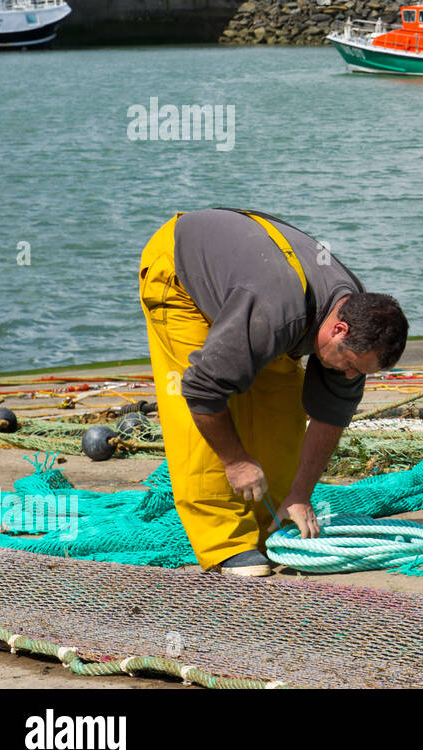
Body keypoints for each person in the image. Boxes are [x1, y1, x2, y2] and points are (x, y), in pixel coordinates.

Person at [138, 208, 407, 576]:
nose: (349, 374)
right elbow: (201, 390)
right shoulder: (276, 311)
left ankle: (273, 525)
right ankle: (225, 545)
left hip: (261, 295)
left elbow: (331, 414)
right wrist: (236, 461)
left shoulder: (359, 327)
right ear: (339, 329)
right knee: (200, 411)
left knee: (282, 412)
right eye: (349, 366)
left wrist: (300, 494)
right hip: (180, 273)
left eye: (358, 372)